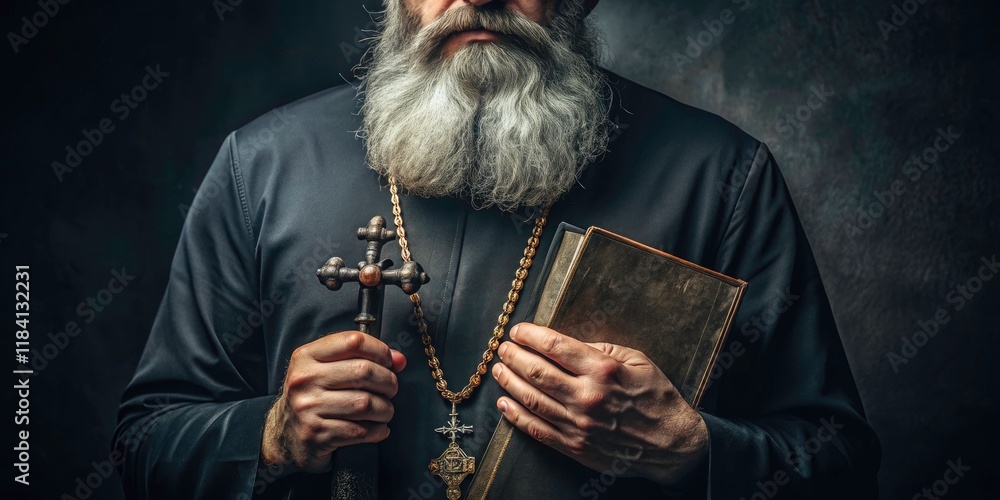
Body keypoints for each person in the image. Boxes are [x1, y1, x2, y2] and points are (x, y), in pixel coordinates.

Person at [114, 0, 881, 498]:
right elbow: (147, 443)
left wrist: (690, 449)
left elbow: (840, 465)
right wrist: (274, 434)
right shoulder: (263, 167)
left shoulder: (717, 176)